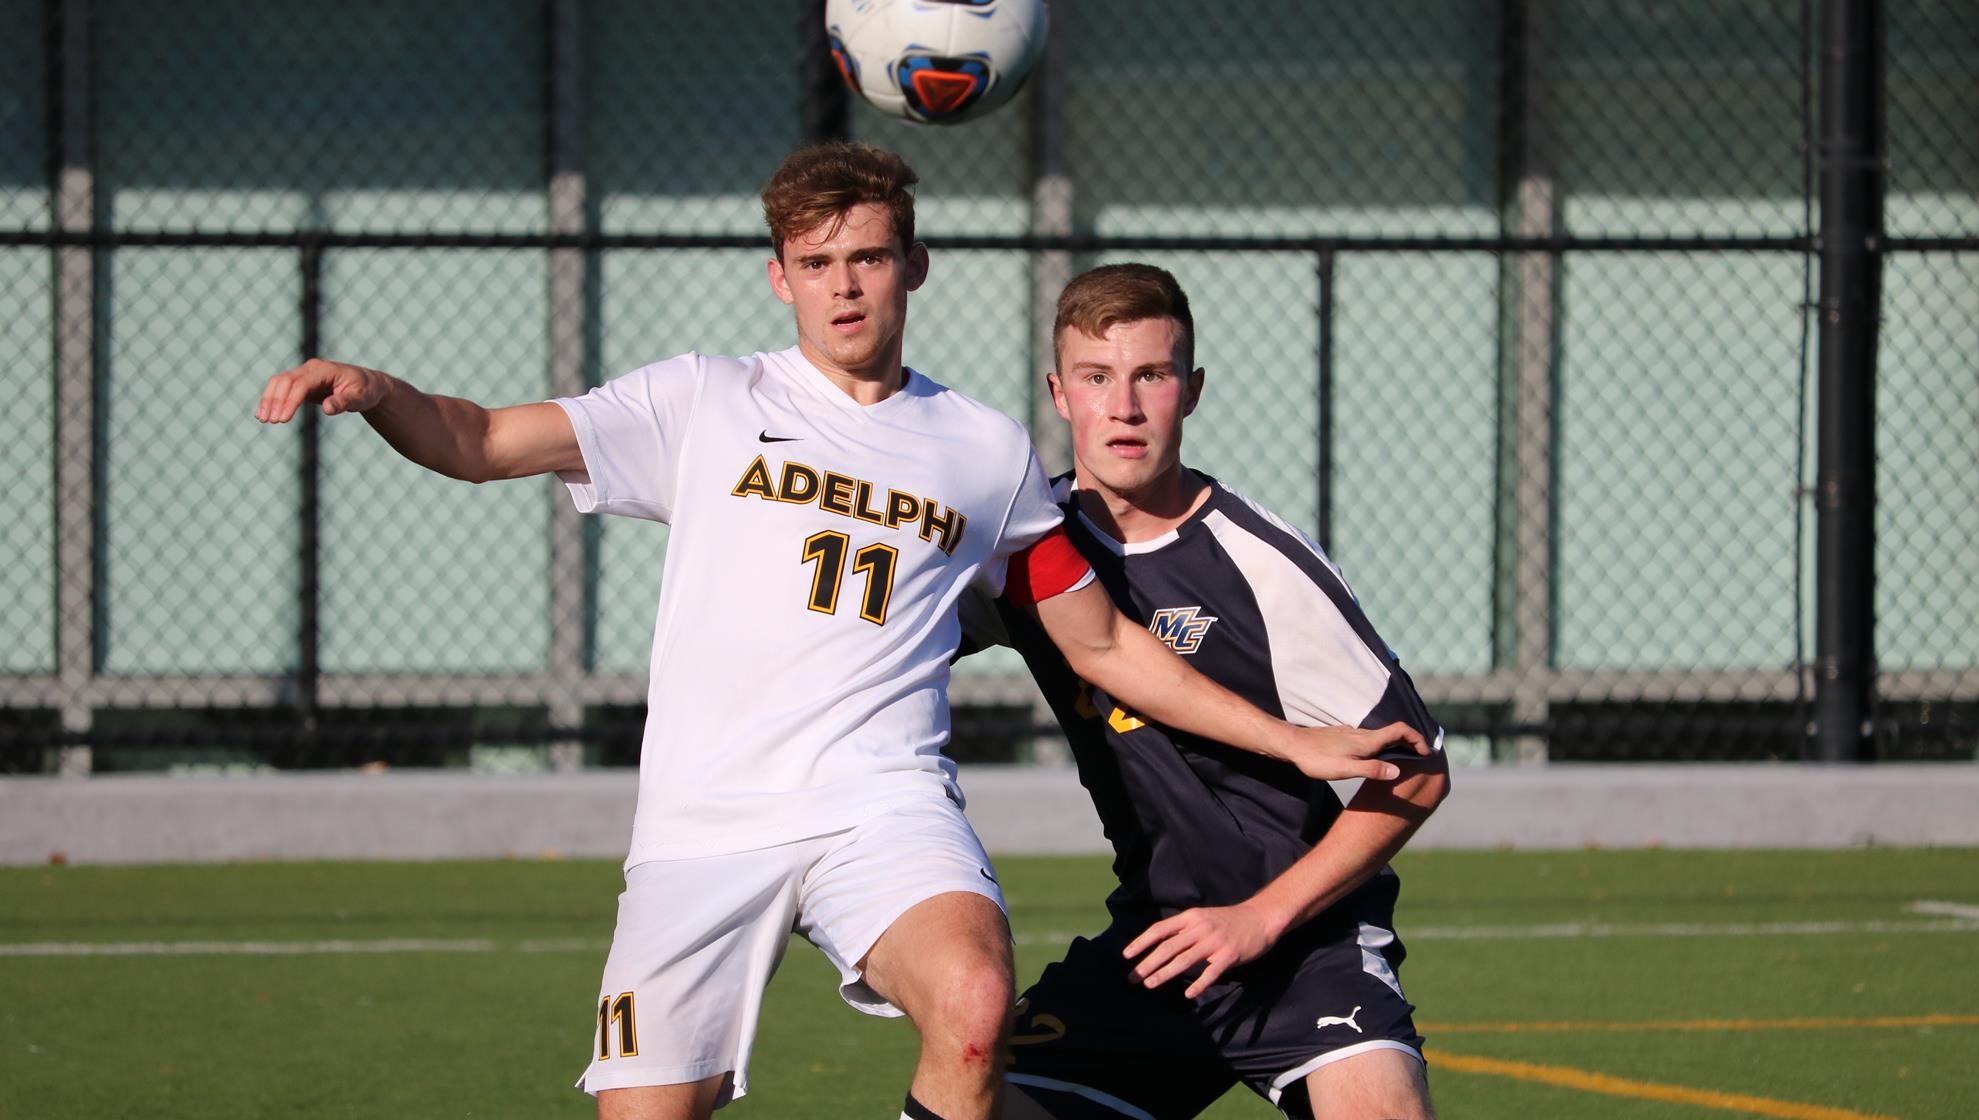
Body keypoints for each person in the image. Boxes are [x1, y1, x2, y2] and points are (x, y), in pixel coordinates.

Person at [251, 145, 1426, 1120]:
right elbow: (478, 440)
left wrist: (1296, 743)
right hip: (703, 827)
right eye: (817, 264)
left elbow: (1107, 643)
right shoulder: (701, 400)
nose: (845, 285)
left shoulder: (984, 451)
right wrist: (380, 392)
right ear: (780, 279)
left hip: (882, 803)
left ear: (913, 262)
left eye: (867, 256)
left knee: (972, 1002)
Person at [960, 263, 1449, 1120]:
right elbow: (890, 638)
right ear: (1059, 392)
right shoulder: (1026, 550)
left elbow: (1418, 771)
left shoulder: (1261, 566)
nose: (1125, 405)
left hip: (1307, 943)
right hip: (1156, 949)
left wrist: (1260, 919)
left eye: (1152, 375)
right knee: (968, 1101)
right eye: (1097, 377)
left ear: (1191, 391)